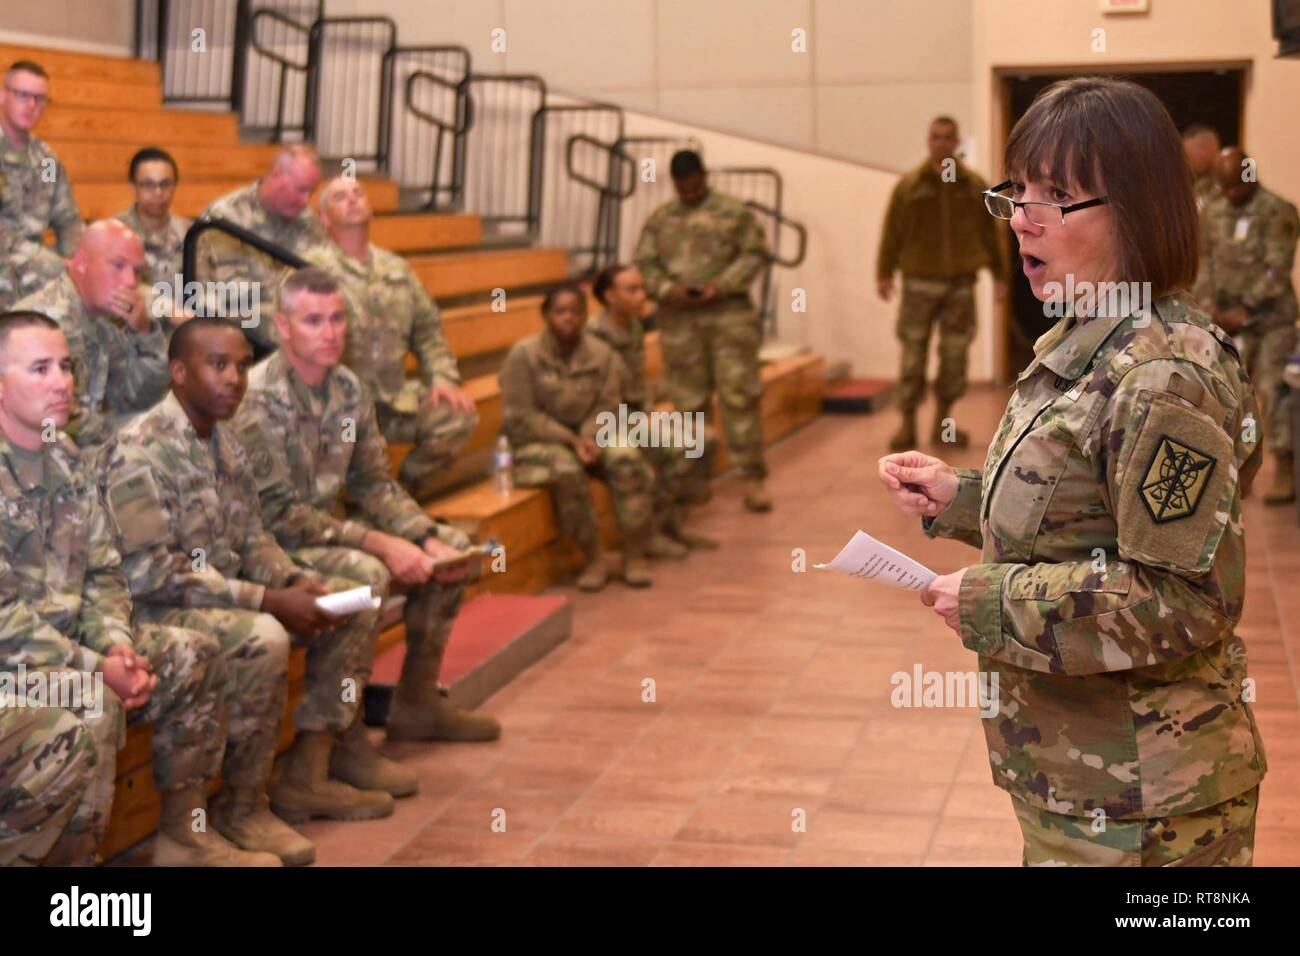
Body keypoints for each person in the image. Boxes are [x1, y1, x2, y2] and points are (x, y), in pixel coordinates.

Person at [879, 77, 1266, 866]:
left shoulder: (1159, 372)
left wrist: (992, 599)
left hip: (1149, 799)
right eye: (1016, 192)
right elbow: (1086, 507)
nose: (1022, 218)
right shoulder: (1086, 337)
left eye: (1055, 195)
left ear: (1138, 207)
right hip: (1081, 775)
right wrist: (961, 500)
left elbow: (1185, 597)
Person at [102, 317, 415, 860]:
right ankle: (234, 810)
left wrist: (292, 579)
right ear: (178, 372)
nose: (235, 379)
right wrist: (268, 600)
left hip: (219, 592)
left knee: (353, 600)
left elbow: (252, 535)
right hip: (154, 608)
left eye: (243, 366)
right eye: (217, 364)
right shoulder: (139, 450)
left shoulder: (225, 441)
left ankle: (310, 771)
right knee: (264, 636)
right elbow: (152, 572)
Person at [0, 311, 279, 866]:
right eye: (39, 368)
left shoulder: (67, 458)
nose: (61, 381)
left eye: (65, 366)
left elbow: (104, 573)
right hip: (17, 667)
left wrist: (116, 646)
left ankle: (184, 837)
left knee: (192, 654)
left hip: (75, 652)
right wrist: (94, 666)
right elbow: (6, 622)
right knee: (94, 701)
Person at [233, 268, 501, 744]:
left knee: (450, 548)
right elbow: (278, 515)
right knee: (367, 575)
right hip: (266, 547)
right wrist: (381, 542)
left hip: (325, 530)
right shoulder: (256, 398)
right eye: (313, 320)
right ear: (282, 326)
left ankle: (417, 703)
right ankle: (329, 747)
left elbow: (372, 482)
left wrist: (421, 535)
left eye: (337, 319)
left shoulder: (349, 390)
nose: (330, 332)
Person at [304, 176, 478, 500]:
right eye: (341, 197)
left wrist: (444, 379)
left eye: (358, 193)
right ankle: (360, 514)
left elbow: (429, 332)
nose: (353, 199)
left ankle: (403, 498)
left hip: (393, 403)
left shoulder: (397, 268)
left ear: (371, 209)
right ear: (324, 218)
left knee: (457, 417)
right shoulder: (308, 269)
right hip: (337, 407)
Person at [633, 149, 773, 513]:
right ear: (675, 184)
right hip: (680, 324)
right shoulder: (660, 220)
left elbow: (755, 253)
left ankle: (752, 478)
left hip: (729, 319)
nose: (690, 194)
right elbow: (644, 265)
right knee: (688, 407)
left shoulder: (734, 213)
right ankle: (697, 479)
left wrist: (722, 285)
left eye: (695, 187)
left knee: (739, 397)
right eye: (683, 188)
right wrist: (668, 291)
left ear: (704, 177)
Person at [500, 284, 657, 590]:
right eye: (560, 311)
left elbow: (608, 404)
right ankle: (593, 558)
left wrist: (590, 437)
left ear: (586, 316)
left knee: (626, 459)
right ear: (545, 315)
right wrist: (572, 442)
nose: (568, 318)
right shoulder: (524, 355)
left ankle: (634, 554)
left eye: (575, 311)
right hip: (539, 440)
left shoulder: (602, 354)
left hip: (592, 434)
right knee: (567, 471)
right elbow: (522, 415)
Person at [877, 115, 1007, 452]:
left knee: (954, 357)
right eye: (936, 137)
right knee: (912, 358)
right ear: (928, 140)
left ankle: (942, 424)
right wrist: (883, 273)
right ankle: (907, 425)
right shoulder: (909, 186)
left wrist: (1000, 276)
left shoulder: (973, 185)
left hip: (960, 287)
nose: (942, 143)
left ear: (957, 142)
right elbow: (891, 233)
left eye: (949, 137)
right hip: (918, 285)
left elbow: (991, 237)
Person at [1193, 146, 1299, 505]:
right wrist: (1206, 305)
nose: (1230, 193)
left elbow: (1277, 267)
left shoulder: (1278, 211)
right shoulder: (1215, 211)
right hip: (1224, 320)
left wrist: (1247, 306)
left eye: (1236, 185)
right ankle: (1233, 471)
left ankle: (1284, 467)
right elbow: (1204, 263)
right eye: (1223, 187)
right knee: (1224, 395)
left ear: (1249, 175)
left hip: (1270, 321)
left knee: (1271, 392)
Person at [588, 262, 717, 554]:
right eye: (631, 290)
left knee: (705, 438)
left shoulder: (633, 326)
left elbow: (637, 378)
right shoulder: (594, 334)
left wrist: (648, 410)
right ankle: (650, 532)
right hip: (608, 420)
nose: (641, 296)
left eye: (642, 288)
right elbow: (599, 395)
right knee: (682, 447)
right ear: (609, 296)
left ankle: (675, 520)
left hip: (634, 414)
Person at [14, 220, 169, 452]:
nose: (130, 282)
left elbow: (140, 396)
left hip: (75, 450)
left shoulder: (102, 322)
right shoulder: (43, 322)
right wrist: (121, 442)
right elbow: (53, 421)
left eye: (137, 272)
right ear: (82, 263)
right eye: (118, 265)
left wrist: (144, 331)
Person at [194, 145, 327, 353]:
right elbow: (207, 296)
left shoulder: (309, 224)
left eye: (311, 192)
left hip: (291, 339)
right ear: (276, 175)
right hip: (236, 339)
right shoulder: (226, 217)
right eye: (300, 189)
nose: (305, 201)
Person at [0, 61, 82, 298]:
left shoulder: (46, 160)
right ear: (3, 95)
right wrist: (51, 263)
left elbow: (68, 220)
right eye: (23, 95)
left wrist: (74, 260)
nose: (31, 105)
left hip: (37, 270)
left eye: (40, 98)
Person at [114, 147, 192, 292]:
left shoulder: (191, 235)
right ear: (133, 187)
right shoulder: (114, 234)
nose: (158, 192)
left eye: (165, 184)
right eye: (148, 185)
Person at [1182, 123, 1222, 215]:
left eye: (1188, 155)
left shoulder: (1228, 186)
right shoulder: (1199, 185)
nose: (1186, 162)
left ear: (1204, 153)